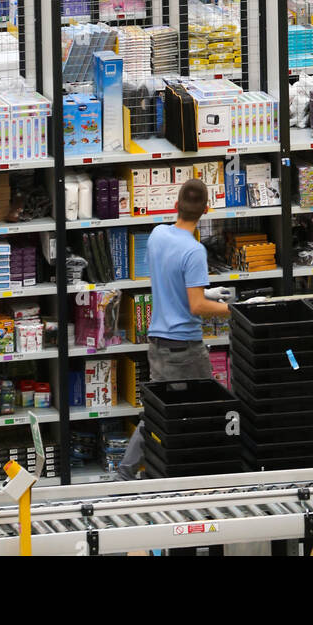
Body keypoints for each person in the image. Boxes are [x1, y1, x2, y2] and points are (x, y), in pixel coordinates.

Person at [115, 179, 231, 480]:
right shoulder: (194, 251)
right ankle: (128, 475)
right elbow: (196, 306)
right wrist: (235, 309)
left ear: (175, 205)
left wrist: (209, 294)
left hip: (158, 341)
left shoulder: (157, 235)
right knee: (197, 409)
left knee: (162, 411)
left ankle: (157, 471)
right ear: (206, 210)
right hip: (183, 348)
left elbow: (171, 285)